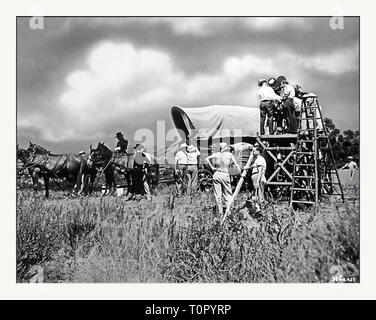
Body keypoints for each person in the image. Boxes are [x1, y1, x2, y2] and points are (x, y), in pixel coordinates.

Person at [205, 142, 241, 216]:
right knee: (227, 194)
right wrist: (239, 173)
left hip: (217, 174)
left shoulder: (217, 154)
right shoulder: (230, 155)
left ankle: (220, 212)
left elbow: (206, 159)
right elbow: (236, 165)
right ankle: (229, 212)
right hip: (225, 174)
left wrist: (212, 167)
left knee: (217, 195)